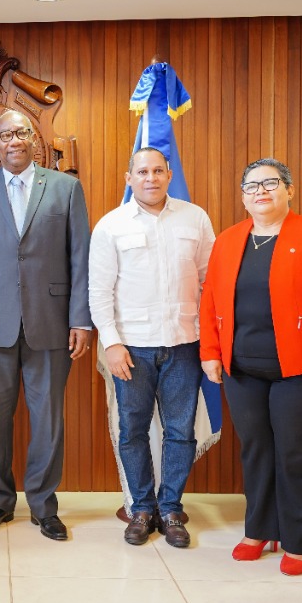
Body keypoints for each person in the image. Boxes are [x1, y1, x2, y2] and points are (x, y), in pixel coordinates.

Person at [199, 158, 302, 575]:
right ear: (243, 197)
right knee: (256, 451)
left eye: (271, 183)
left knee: (296, 454)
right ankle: (260, 530)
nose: (261, 192)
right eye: (251, 186)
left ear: (290, 189)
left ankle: (299, 540)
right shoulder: (230, 240)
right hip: (241, 367)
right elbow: (211, 300)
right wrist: (210, 353)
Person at [0, 109, 92, 541]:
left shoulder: (66, 188)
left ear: (34, 139)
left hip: (51, 323)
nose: (13, 140)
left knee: (48, 419)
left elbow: (80, 258)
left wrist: (80, 320)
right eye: (4, 135)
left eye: (21, 132)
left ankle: (43, 506)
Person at [89, 148, 214, 548]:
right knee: (133, 431)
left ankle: (172, 507)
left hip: (184, 345)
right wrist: (111, 343)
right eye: (142, 171)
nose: (151, 178)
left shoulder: (195, 218)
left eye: (158, 170)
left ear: (169, 174)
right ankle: (142, 508)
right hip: (132, 349)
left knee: (180, 432)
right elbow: (99, 291)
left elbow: (210, 281)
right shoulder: (111, 225)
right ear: (129, 178)